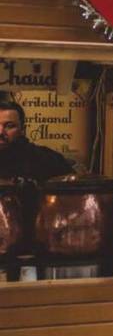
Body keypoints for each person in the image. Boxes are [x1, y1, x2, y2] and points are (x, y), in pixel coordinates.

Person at [0, 98, 74, 277]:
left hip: (33, 254)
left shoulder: (45, 160)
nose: (1, 132)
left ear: (23, 129)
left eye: (9, 126)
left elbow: (72, 197)